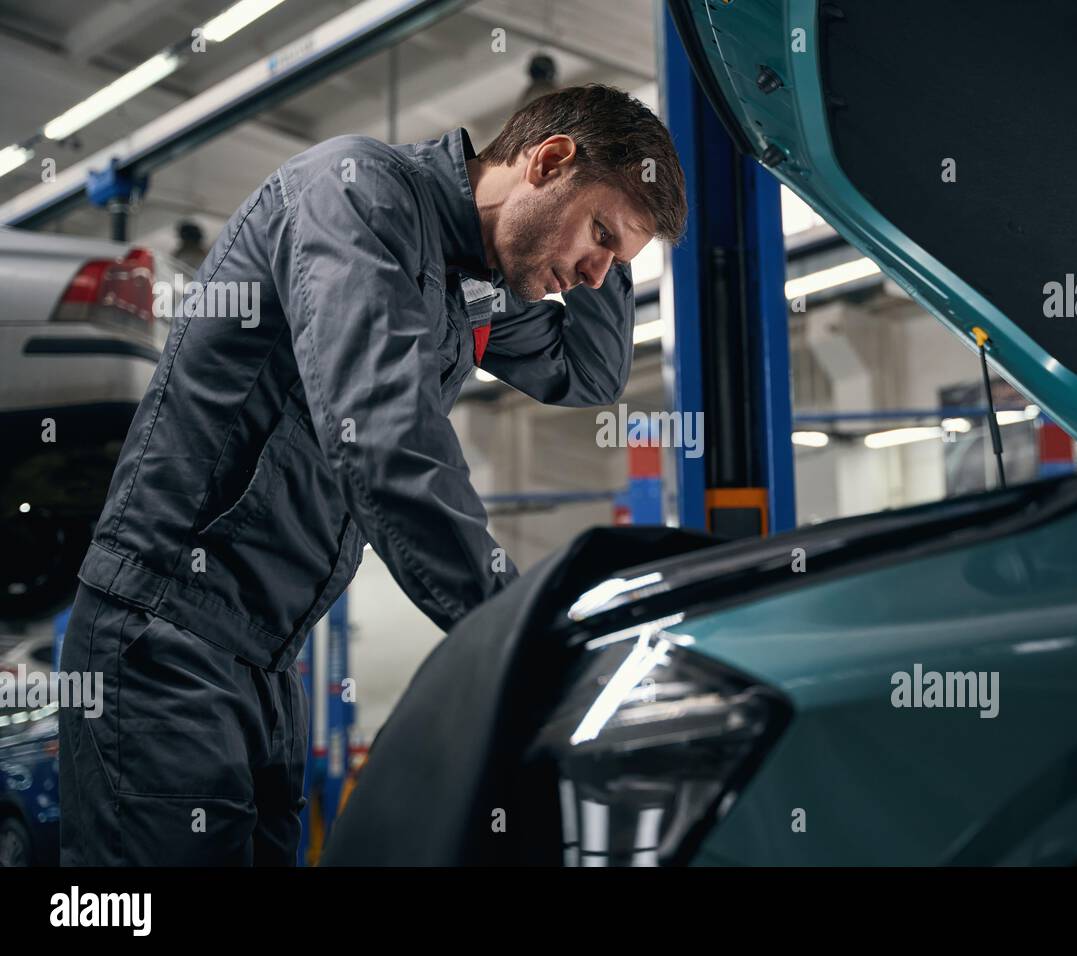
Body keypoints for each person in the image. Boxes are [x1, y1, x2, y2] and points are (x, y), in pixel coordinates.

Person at [57, 83, 687, 865]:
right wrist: (523, 638)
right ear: (549, 159)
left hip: (265, 657)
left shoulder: (475, 286)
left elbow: (589, 371)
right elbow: (387, 439)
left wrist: (621, 229)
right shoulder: (354, 195)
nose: (594, 277)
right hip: (163, 634)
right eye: (598, 235)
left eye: (613, 260)